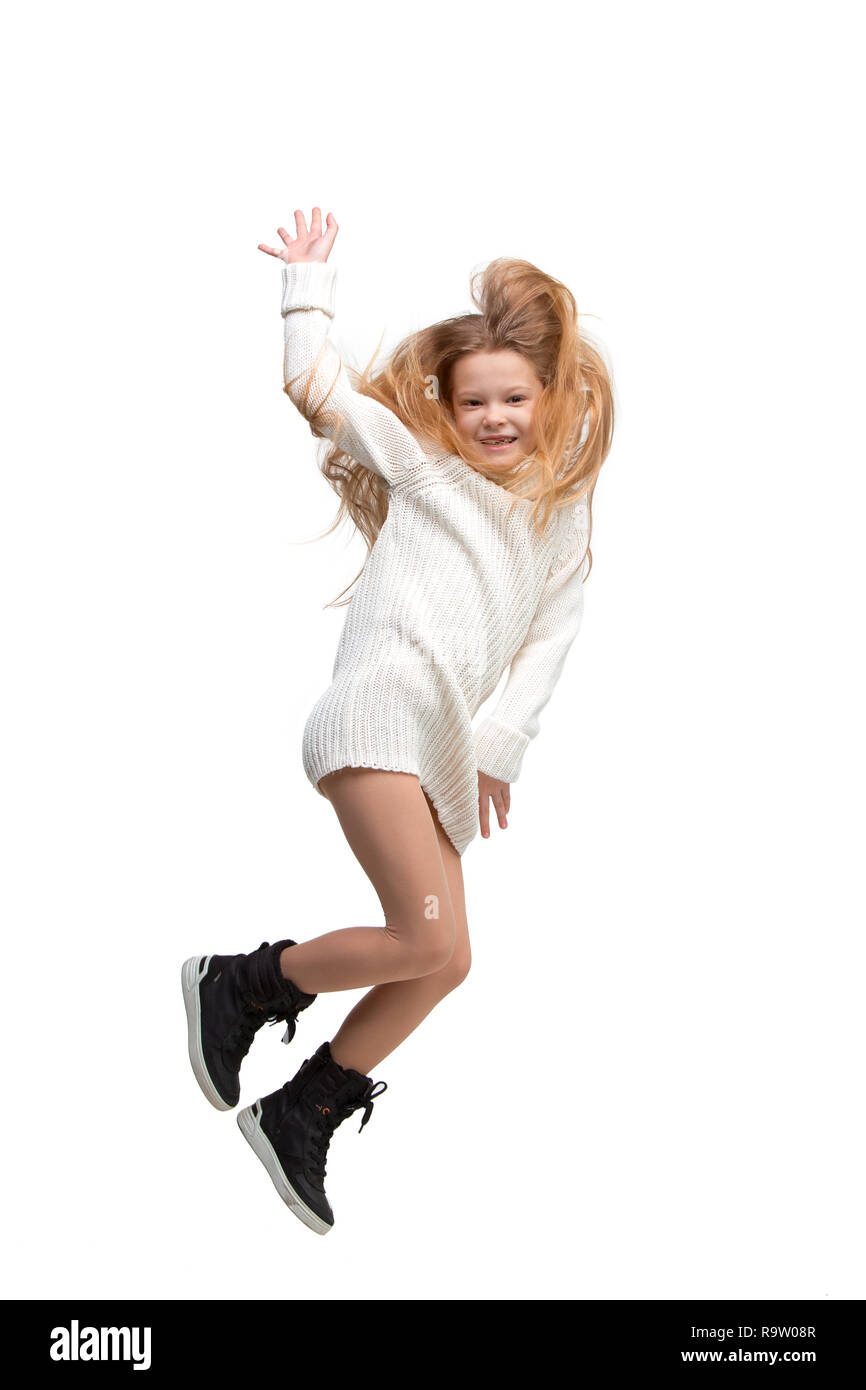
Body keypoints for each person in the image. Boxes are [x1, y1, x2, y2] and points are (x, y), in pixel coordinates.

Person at [181, 207, 615, 1235]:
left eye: (514, 398)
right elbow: (315, 388)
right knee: (419, 934)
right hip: (375, 714)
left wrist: (500, 748)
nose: (496, 418)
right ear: (449, 409)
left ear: (547, 400)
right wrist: (305, 286)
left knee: (446, 956)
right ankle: (244, 981)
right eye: (475, 403)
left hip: (437, 750)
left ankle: (303, 1106)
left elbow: (553, 637)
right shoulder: (428, 472)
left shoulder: (560, 521)